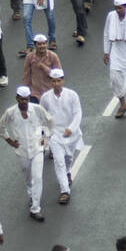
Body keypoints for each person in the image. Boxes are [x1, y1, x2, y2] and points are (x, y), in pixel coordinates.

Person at [0, 85, 53, 222]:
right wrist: (9, 141)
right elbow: (0, 127)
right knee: (28, 176)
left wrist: (44, 141)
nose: (24, 102)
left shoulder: (37, 109)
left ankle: (35, 209)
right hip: (21, 151)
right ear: (17, 98)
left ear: (29, 99)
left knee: (37, 178)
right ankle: (32, 195)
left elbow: (50, 122)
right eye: (21, 99)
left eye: (26, 99)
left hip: (37, 149)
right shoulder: (10, 112)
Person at [40, 68, 83, 206]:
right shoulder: (45, 98)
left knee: (68, 158)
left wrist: (71, 128)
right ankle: (65, 191)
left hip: (71, 133)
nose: (56, 84)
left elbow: (78, 114)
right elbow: (42, 117)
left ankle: (68, 172)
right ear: (50, 82)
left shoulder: (72, 95)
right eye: (54, 81)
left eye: (59, 81)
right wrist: (44, 137)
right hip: (55, 135)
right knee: (59, 161)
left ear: (63, 80)